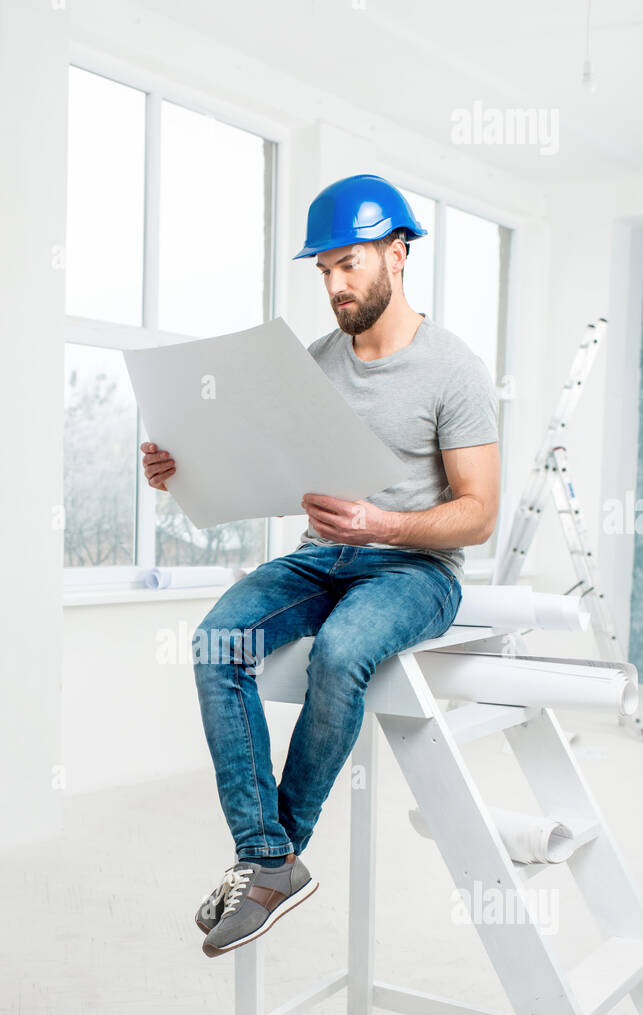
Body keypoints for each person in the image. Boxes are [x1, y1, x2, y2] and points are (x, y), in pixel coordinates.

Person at [141, 173, 500, 959]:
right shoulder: (313, 362)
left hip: (415, 570)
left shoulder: (454, 370)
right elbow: (269, 473)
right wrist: (184, 468)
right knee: (215, 644)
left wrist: (386, 522)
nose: (335, 286)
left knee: (340, 653)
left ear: (397, 253)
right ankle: (268, 860)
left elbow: (478, 512)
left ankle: (267, 863)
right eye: (324, 270)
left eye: (349, 265)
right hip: (317, 560)